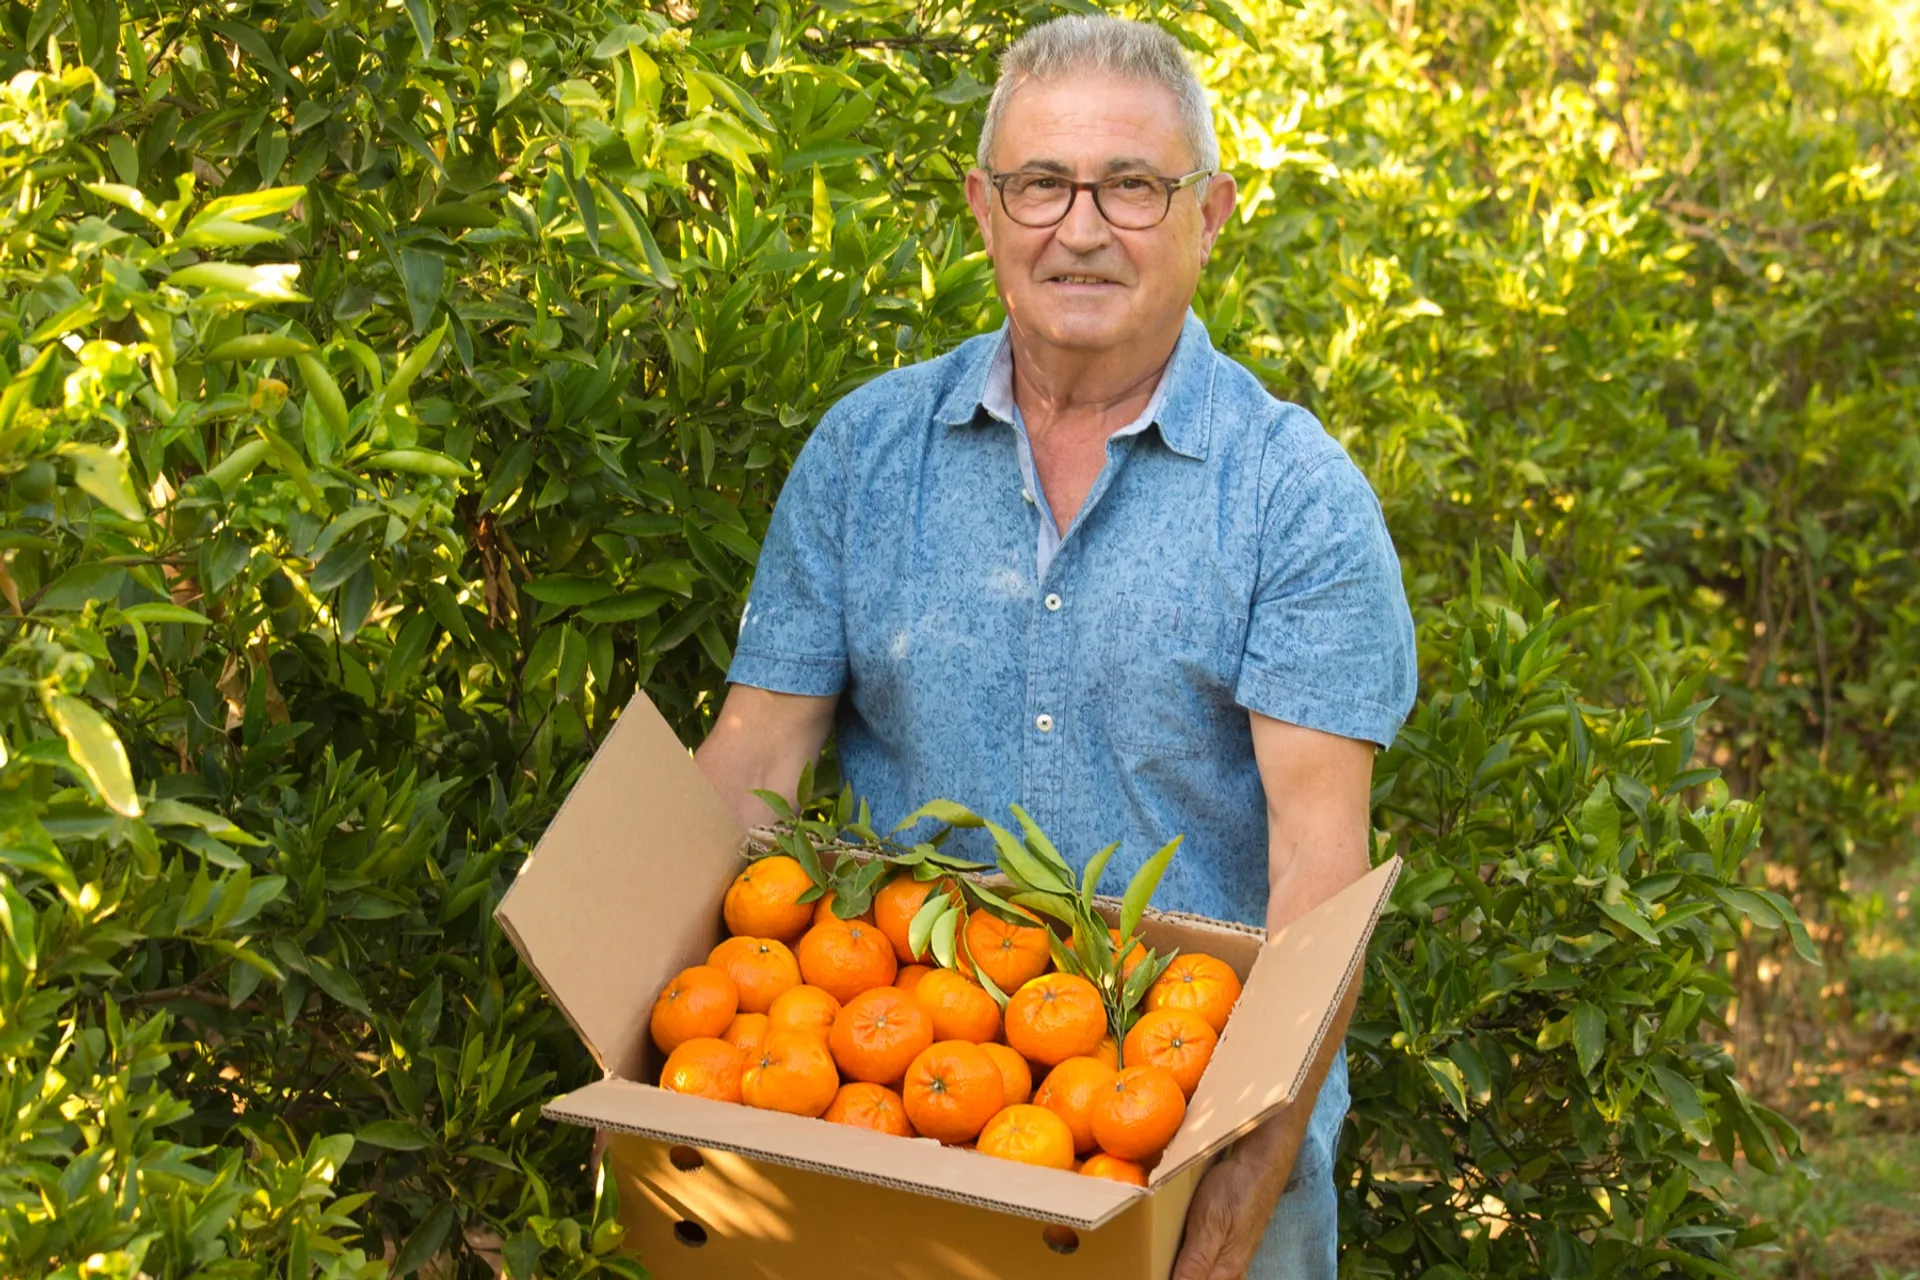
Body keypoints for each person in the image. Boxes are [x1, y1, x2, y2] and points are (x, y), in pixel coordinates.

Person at [694, 15, 1417, 1278]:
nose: (1081, 228)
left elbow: (1319, 868)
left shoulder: (1291, 493)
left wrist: (1244, 1179)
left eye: (1133, 184)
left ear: (1211, 213)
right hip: (889, 1118)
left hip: (1185, 1131)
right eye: (1042, 182)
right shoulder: (868, 455)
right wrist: (653, 1058)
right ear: (984, 208)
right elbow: (747, 758)